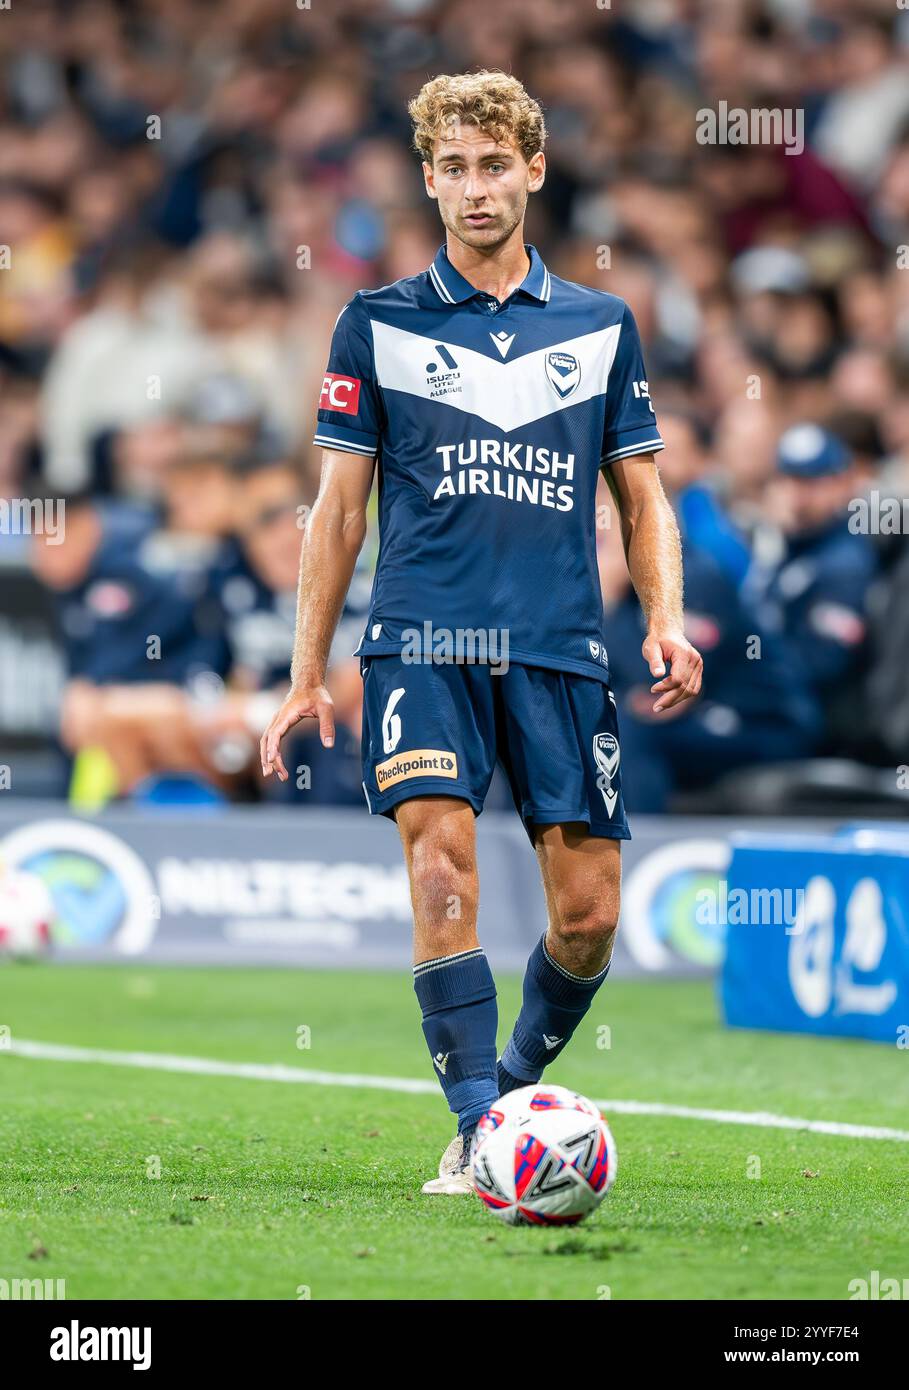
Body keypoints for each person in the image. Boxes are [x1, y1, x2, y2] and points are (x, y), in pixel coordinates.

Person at [260, 70, 702, 1195]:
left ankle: (504, 1094)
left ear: (534, 169)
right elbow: (339, 509)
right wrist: (307, 670)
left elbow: (643, 497)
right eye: (452, 168)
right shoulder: (376, 322)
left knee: (590, 917)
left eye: (493, 164)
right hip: (422, 639)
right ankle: (476, 1126)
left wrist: (665, 619)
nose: (473, 188)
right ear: (427, 179)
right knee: (442, 867)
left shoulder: (600, 326)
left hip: (559, 645)